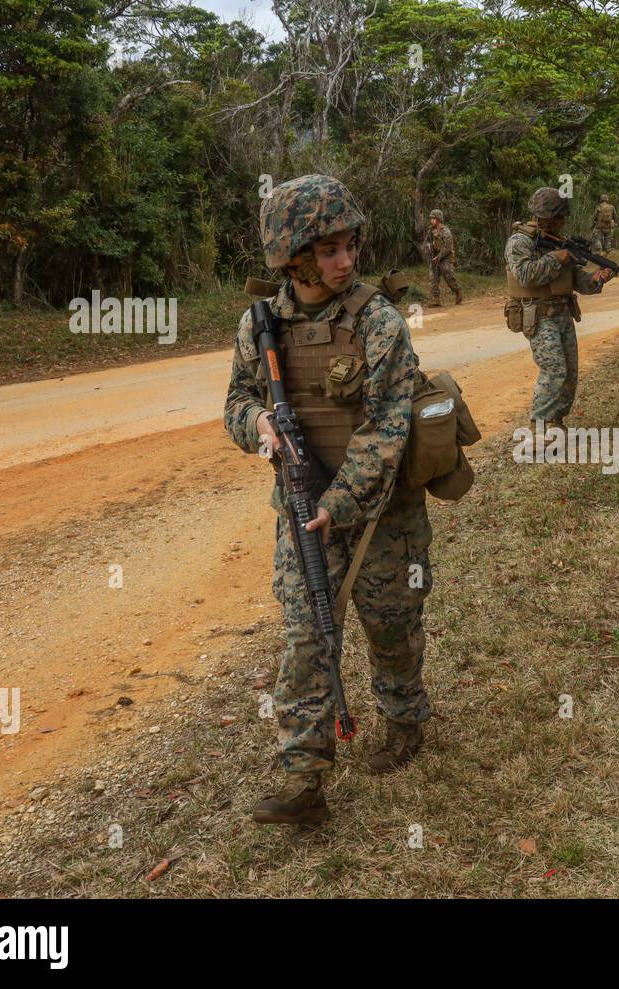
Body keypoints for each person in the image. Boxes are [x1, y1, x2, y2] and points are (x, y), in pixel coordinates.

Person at [224, 174, 434, 826]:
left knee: (391, 626)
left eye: (349, 246)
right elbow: (236, 400)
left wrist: (338, 504)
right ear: (292, 258)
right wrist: (255, 424)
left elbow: (388, 429)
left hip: (378, 514)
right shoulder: (260, 325)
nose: (344, 260)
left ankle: (404, 718)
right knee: (306, 637)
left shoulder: (380, 322)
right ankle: (301, 776)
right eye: (328, 250)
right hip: (299, 506)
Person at [504, 187, 614, 428]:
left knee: (570, 372)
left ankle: (555, 420)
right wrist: (558, 257)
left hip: (563, 313)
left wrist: (596, 279)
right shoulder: (520, 241)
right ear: (545, 216)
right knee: (554, 368)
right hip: (539, 315)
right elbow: (524, 275)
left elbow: (573, 278)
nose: (563, 222)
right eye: (559, 217)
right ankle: (539, 424)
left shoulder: (557, 242)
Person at [425, 208, 461, 306]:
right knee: (433, 279)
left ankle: (458, 292)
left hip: (445, 258)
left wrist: (439, 256)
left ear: (438, 219)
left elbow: (448, 247)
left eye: (433, 218)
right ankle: (436, 300)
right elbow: (427, 241)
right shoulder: (430, 231)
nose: (431, 220)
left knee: (450, 278)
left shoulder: (445, 231)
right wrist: (428, 247)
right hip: (434, 257)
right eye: (431, 218)